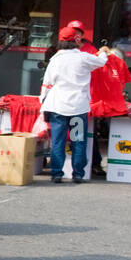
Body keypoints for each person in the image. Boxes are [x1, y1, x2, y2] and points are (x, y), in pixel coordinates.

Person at [39, 27, 107, 183]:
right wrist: (103, 50)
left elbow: (47, 84)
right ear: (76, 40)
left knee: (58, 141)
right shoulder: (83, 58)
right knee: (78, 141)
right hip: (78, 108)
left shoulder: (55, 60)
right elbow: (102, 61)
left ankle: (56, 174)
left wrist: (42, 102)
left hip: (57, 107)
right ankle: (78, 174)